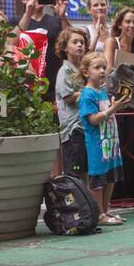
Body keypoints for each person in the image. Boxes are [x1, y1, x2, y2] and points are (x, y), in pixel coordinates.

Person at [103, 7, 134, 205]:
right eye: (128, 22)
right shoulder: (111, 42)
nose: (131, 25)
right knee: (120, 145)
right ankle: (118, 194)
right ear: (120, 24)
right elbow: (108, 69)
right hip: (117, 101)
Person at [78, 51, 128, 225]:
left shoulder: (102, 91)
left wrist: (117, 106)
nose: (102, 71)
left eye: (104, 67)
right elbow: (92, 119)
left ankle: (106, 211)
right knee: (98, 180)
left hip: (110, 142)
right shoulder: (87, 94)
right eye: (97, 67)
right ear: (86, 72)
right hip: (97, 144)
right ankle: (99, 214)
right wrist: (112, 109)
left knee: (110, 177)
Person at [55, 28, 91, 176]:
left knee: (85, 170)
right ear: (65, 47)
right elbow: (68, 97)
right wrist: (89, 92)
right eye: (75, 42)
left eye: (82, 42)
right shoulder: (65, 71)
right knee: (74, 173)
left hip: (84, 127)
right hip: (72, 131)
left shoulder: (83, 71)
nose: (79, 45)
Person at [17, 0, 68, 85]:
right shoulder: (16, 21)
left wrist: (62, 17)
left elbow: (71, 39)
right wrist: (28, 13)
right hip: (25, 82)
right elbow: (10, 42)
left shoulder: (56, 21)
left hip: (53, 81)